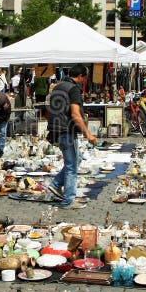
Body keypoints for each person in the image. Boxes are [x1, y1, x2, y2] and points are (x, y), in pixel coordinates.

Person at [46, 64, 97, 209]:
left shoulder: (58, 87)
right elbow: (75, 114)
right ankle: (68, 200)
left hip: (57, 129)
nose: (83, 81)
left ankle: (56, 184)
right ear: (80, 76)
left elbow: (51, 109)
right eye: (83, 78)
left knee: (77, 158)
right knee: (71, 167)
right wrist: (89, 134)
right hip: (67, 130)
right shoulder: (73, 89)